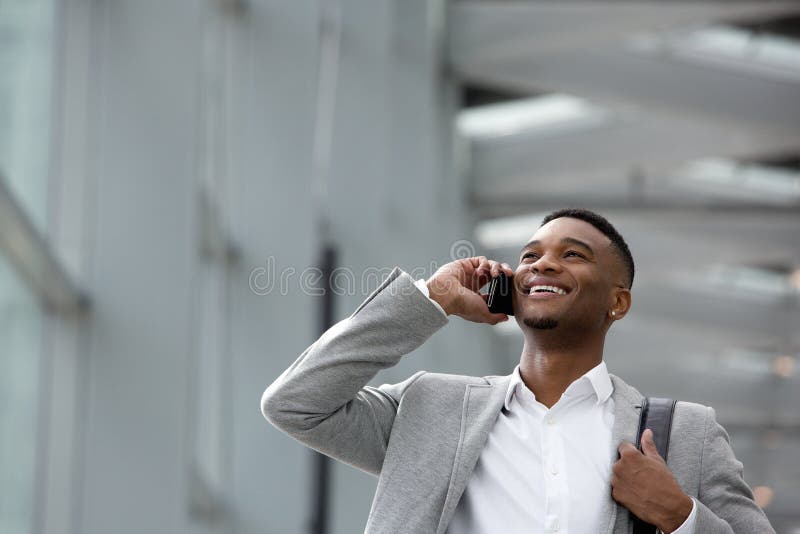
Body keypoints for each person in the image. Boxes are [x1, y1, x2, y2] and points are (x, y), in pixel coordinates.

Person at [261, 208, 774, 533]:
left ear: (618, 302)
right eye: (530, 256)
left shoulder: (686, 434)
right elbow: (296, 404)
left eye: (573, 255)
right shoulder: (430, 409)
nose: (542, 265)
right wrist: (432, 299)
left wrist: (680, 517)